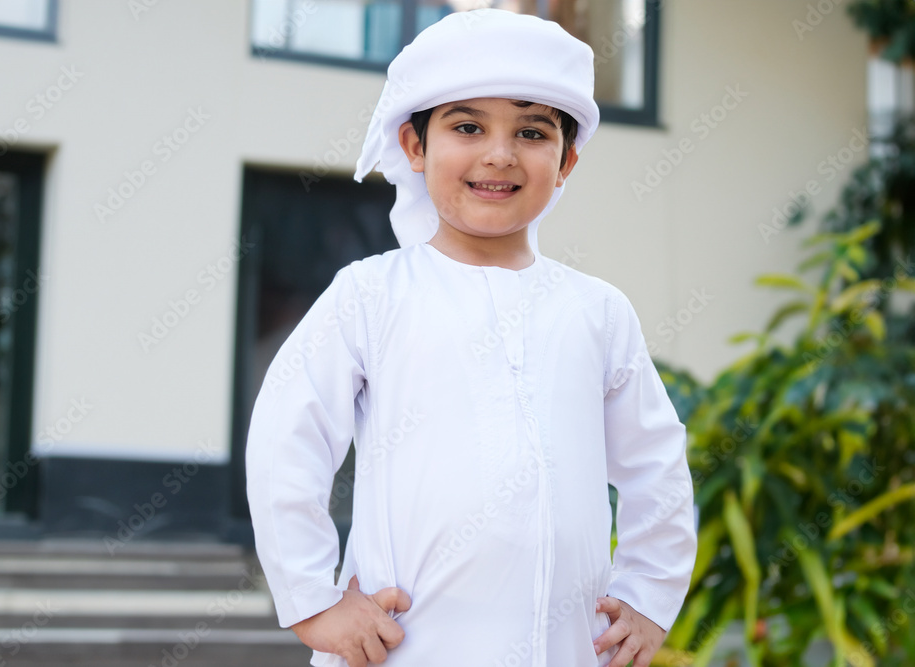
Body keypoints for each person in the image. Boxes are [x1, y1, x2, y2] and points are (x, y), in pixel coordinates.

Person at [246, 9, 697, 667]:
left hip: (566, 649)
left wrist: (651, 592)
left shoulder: (597, 311)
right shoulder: (372, 295)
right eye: (466, 126)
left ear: (567, 159)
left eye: (532, 131)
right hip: (404, 648)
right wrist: (314, 598)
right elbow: (287, 438)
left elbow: (657, 461)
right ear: (414, 146)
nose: (499, 153)